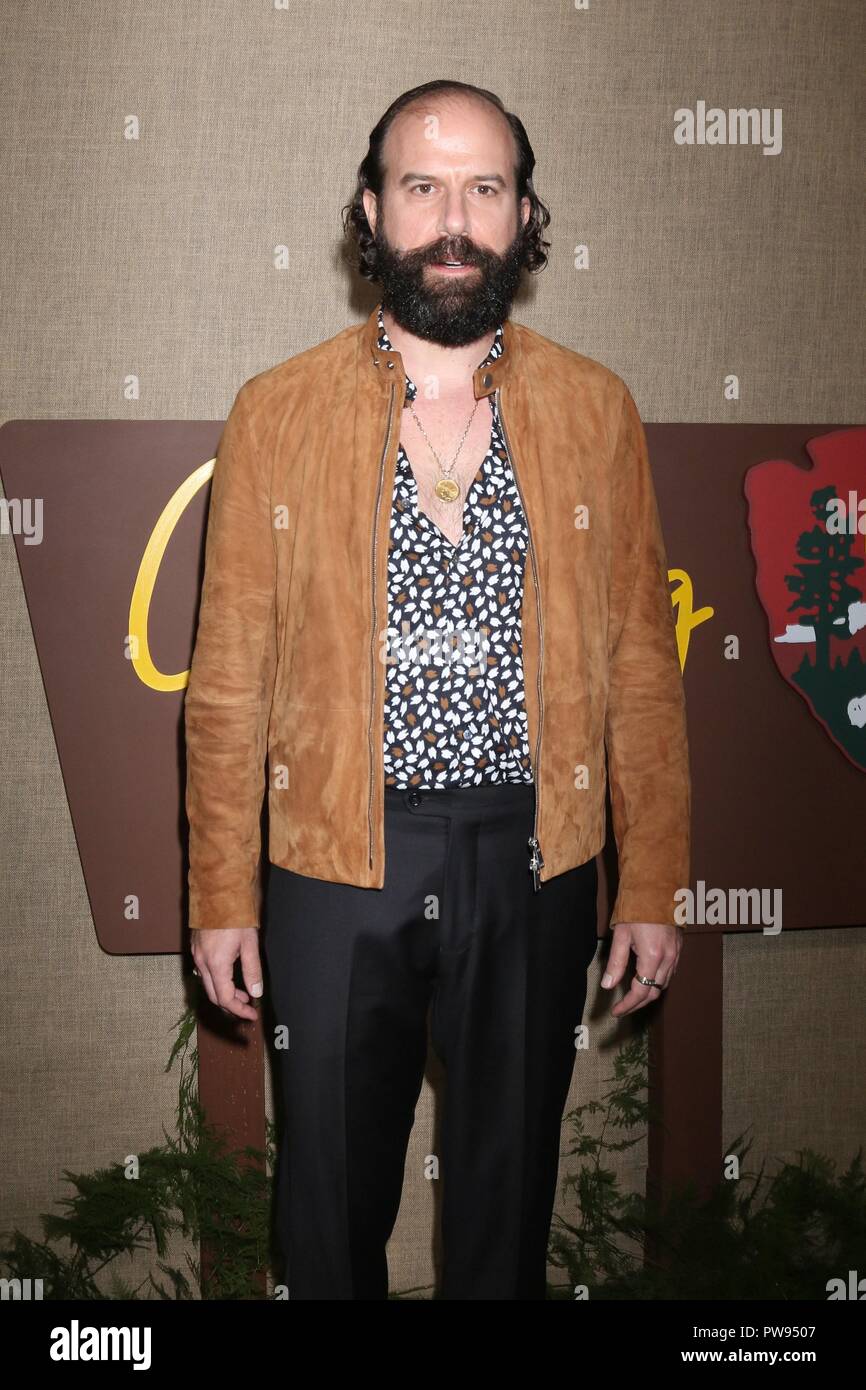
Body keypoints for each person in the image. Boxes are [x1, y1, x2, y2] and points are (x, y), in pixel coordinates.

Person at [185, 79, 691, 1300]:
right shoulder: (275, 410)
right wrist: (220, 891)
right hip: (329, 859)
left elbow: (636, 657)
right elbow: (227, 680)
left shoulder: (595, 408)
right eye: (423, 186)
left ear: (524, 215)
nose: (453, 217)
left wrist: (654, 877)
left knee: (503, 1207)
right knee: (323, 1207)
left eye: (484, 188)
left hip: (533, 853)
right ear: (373, 210)